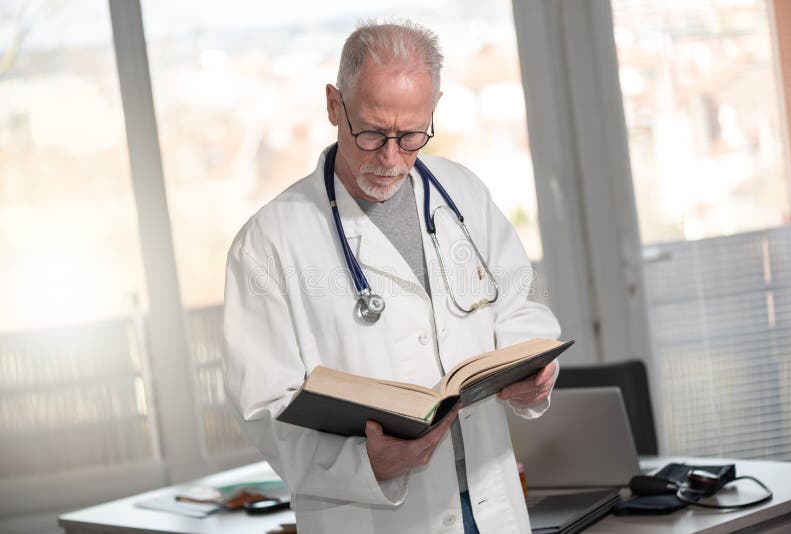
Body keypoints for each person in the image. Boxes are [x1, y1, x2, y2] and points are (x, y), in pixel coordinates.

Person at [224, 20, 561, 534]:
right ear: (335, 105)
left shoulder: (462, 193)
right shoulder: (269, 242)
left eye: (410, 136)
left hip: (492, 507)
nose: (390, 157)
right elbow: (264, 411)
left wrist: (531, 375)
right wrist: (366, 465)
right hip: (376, 517)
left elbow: (517, 305)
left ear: (434, 110)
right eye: (373, 132)